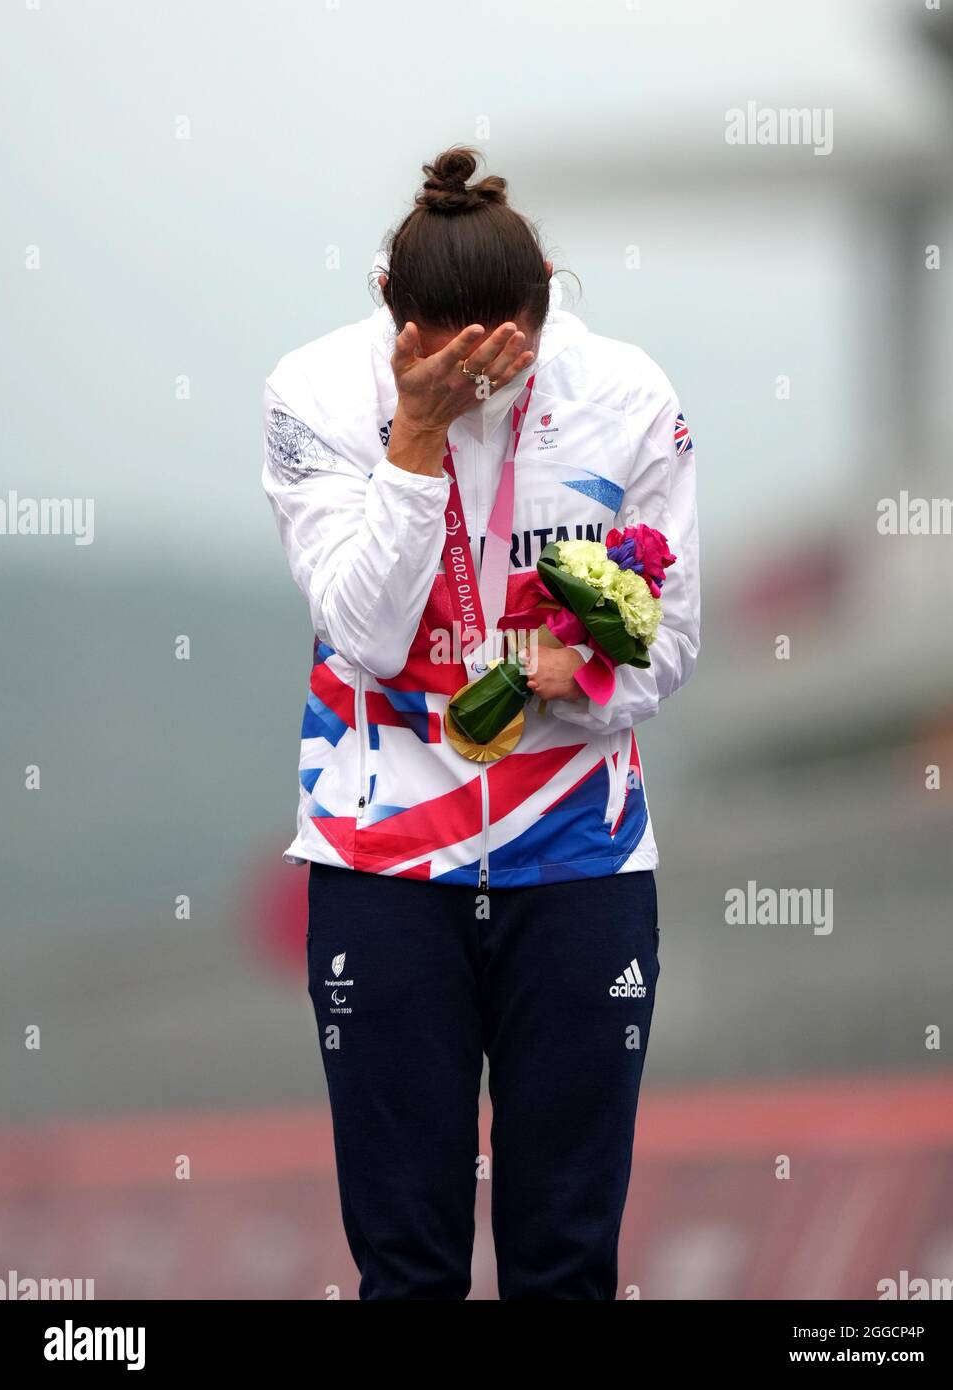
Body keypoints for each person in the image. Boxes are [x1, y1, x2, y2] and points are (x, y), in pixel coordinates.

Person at [261, 146, 700, 1300]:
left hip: (578, 854)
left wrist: (569, 670)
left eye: (508, 357)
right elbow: (359, 632)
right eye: (452, 361)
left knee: (563, 1260)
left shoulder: (626, 395)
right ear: (394, 319)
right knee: (408, 1265)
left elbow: (674, 639)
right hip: (384, 855)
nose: (484, 384)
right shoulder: (312, 393)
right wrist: (413, 438)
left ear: (545, 299)